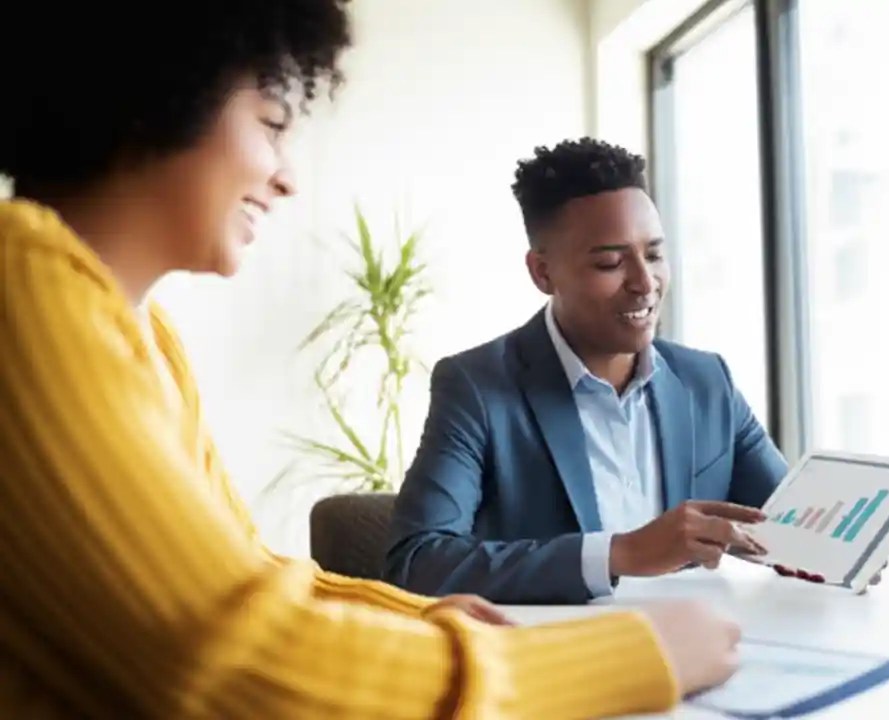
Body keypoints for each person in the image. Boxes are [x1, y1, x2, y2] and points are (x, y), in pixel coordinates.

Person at [0, 3, 743, 717]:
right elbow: (240, 665)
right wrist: (634, 655)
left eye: (653, 254)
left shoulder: (141, 333)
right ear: (162, 94)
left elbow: (247, 577)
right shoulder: (23, 293)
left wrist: (417, 619)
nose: (285, 175)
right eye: (271, 126)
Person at [385, 138, 789, 603]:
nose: (644, 283)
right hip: (564, 660)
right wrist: (619, 554)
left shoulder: (707, 380)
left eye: (654, 255)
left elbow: (789, 527)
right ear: (543, 273)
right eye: (609, 263)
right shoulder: (477, 388)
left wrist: (850, 546)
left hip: (702, 652)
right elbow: (416, 563)